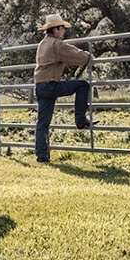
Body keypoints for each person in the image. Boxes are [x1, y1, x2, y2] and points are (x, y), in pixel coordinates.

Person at [33, 13, 94, 163]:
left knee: (42, 123)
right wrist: (88, 56)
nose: (64, 31)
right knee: (82, 85)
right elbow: (75, 55)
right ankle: (80, 119)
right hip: (50, 84)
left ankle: (42, 156)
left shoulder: (43, 43)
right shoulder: (57, 44)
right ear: (55, 29)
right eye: (62, 28)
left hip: (40, 85)